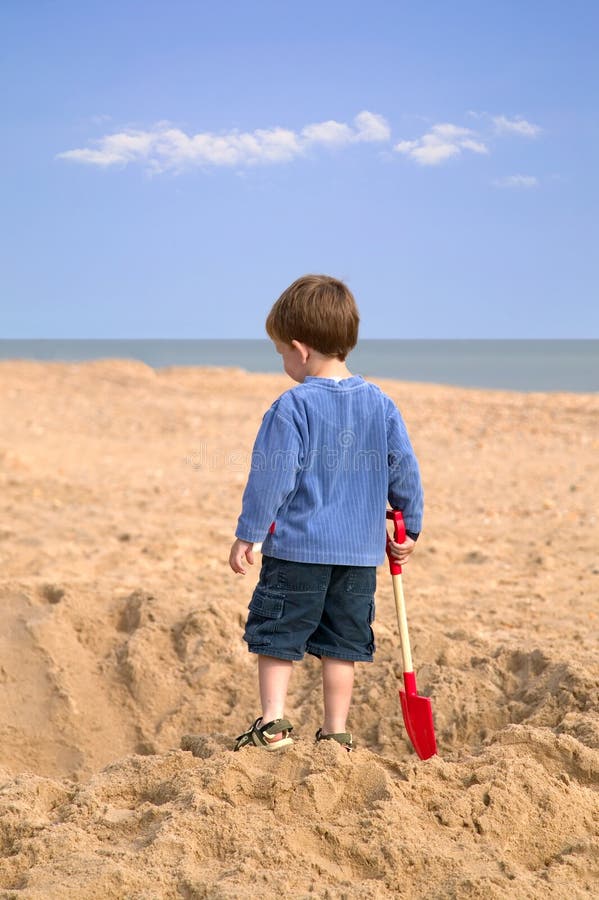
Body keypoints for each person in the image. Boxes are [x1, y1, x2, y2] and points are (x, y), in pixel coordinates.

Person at [228, 274, 423, 752]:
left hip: (298, 549)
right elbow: (404, 468)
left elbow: (273, 476)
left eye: (281, 353)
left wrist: (249, 532)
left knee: (278, 635)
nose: (283, 363)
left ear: (300, 349)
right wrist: (410, 525)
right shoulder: (380, 404)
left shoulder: (293, 406)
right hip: (358, 556)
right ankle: (336, 731)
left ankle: (273, 723)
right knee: (342, 645)